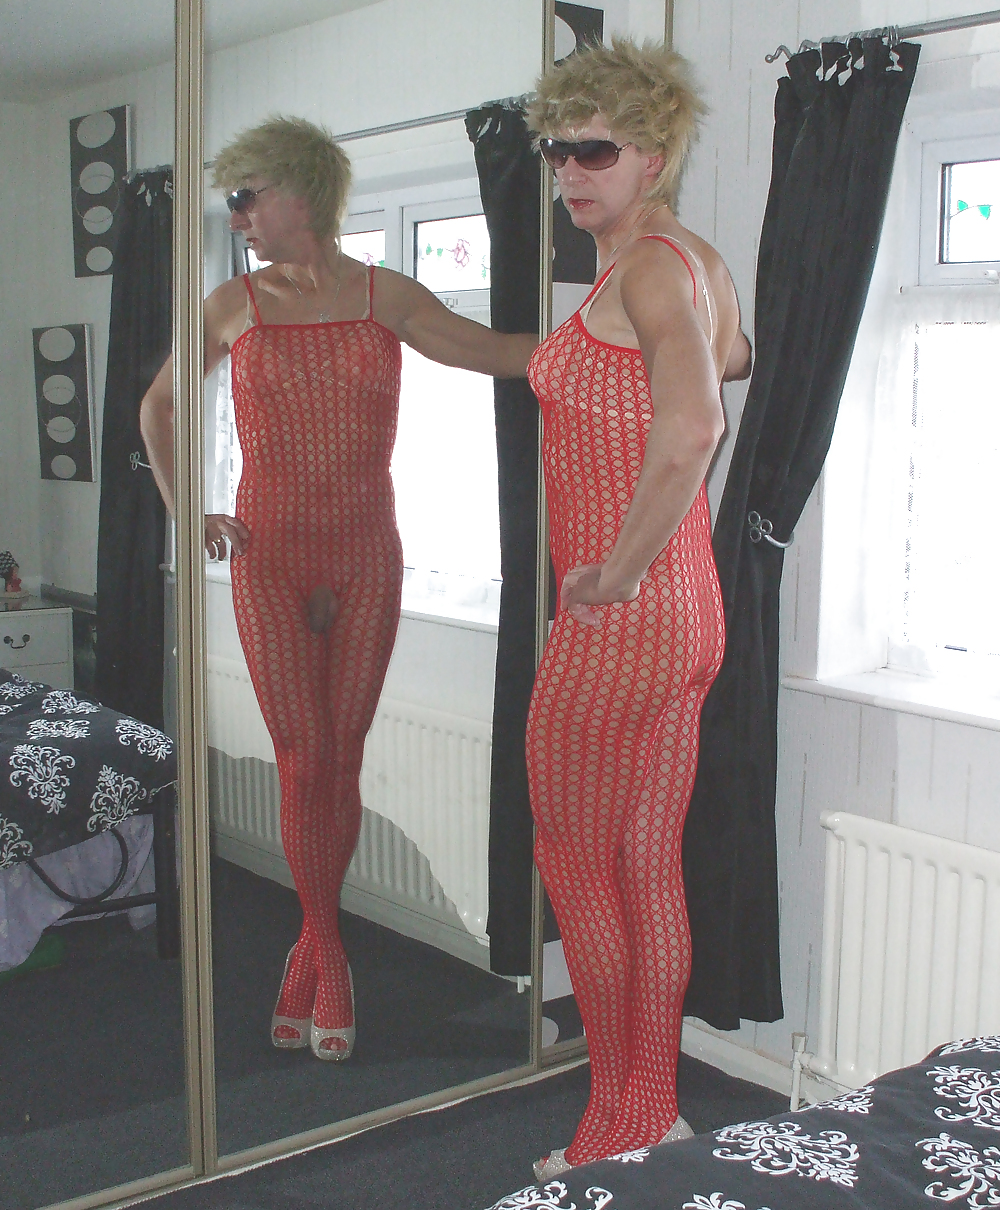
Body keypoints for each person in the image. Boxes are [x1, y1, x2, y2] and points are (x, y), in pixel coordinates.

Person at [140, 115, 536, 1061]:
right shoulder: (231, 304)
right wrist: (187, 510)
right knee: (304, 758)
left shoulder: (384, 294)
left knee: (343, 757)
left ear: (301, 194)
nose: (237, 216)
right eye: (231, 202)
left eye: (247, 198)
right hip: (270, 558)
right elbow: (159, 407)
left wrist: (617, 332)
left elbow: (496, 353)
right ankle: (327, 946)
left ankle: (314, 953)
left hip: (365, 556)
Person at [523, 39, 751, 1175]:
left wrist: (613, 570)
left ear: (652, 155)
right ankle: (648, 1115)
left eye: (595, 149)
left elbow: (697, 423)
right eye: (557, 149)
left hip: (625, 618)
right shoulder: (692, 262)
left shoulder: (651, 267)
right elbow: (733, 360)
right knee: (645, 864)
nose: (571, 168)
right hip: (689, 615)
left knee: (575, 860)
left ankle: (611, 1125)